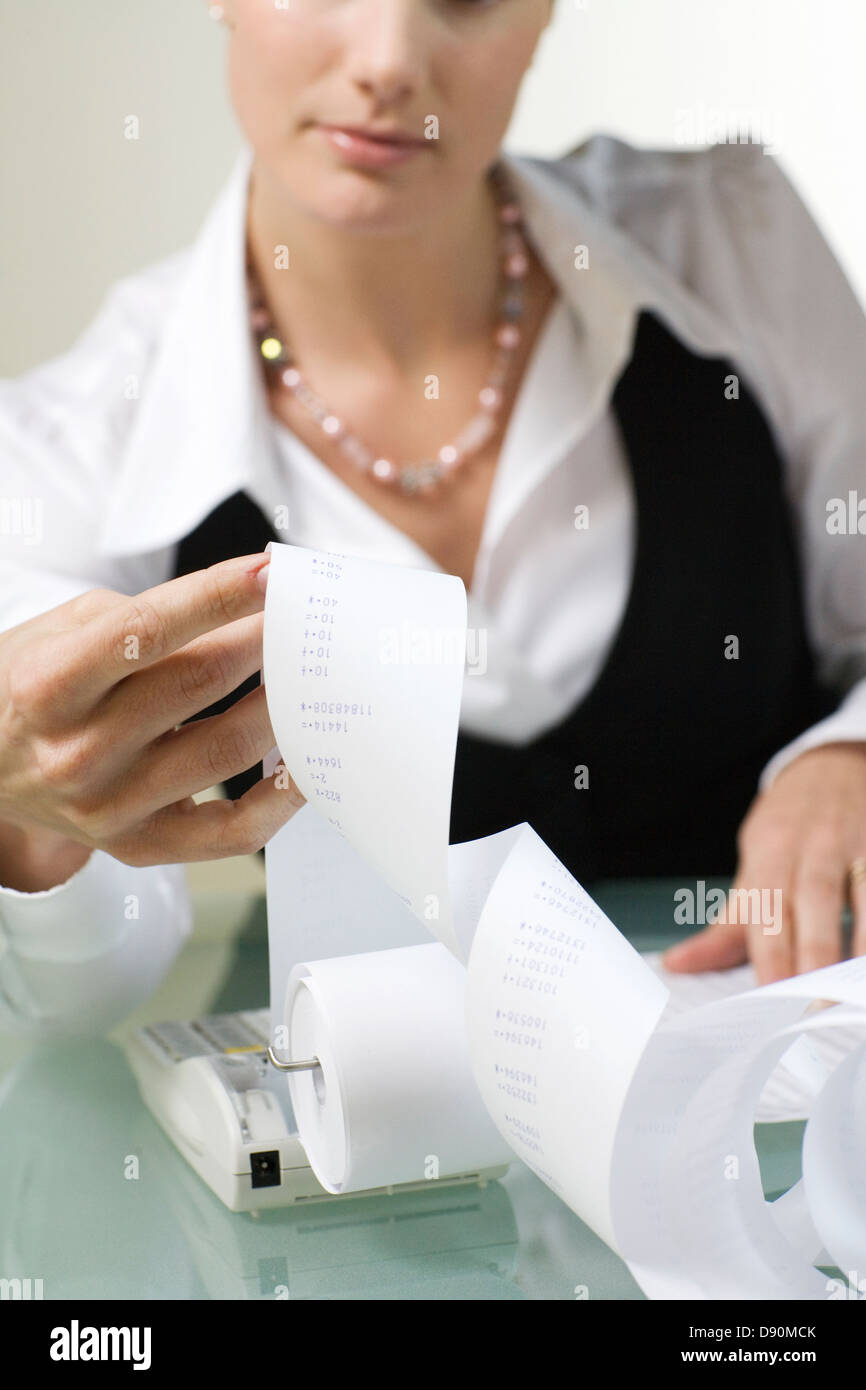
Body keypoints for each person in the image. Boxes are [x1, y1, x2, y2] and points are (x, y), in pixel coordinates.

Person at [1, 0, 865, 1037]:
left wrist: (846, 756)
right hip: (380, 1141)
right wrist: (33, 823)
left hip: (785, 1087)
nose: (388, 63)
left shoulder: (732, 240)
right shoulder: (66, 449)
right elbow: (88, 994)